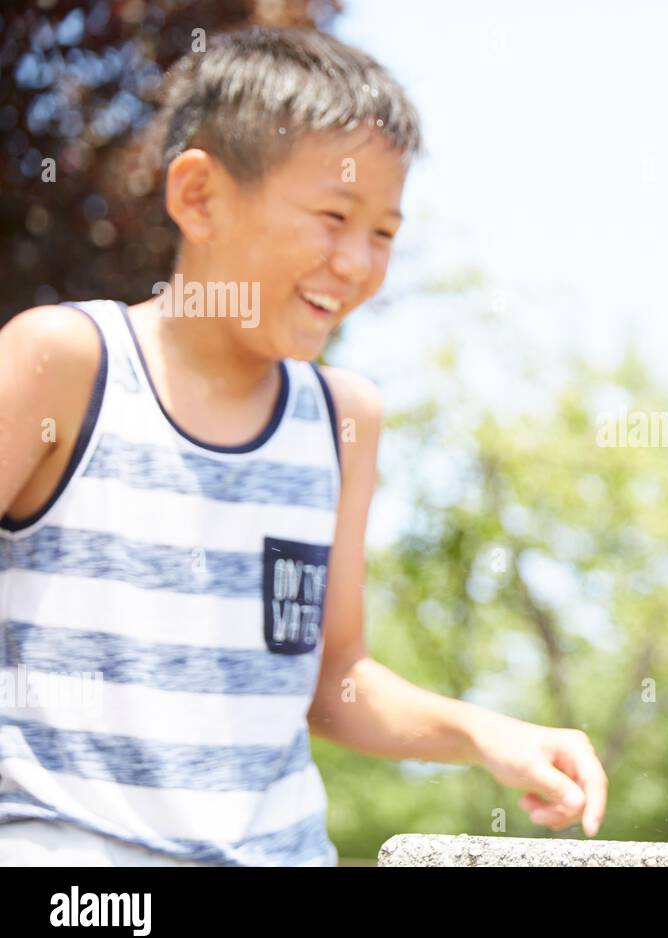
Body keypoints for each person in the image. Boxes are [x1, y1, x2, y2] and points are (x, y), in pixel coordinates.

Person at [0, 26, 606, 866]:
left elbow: (335, 683)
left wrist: (487, 733)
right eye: (333, 217)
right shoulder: (63, 364)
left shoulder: (343, 420)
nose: (356, 262)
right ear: (200, 196)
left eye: (385, 233)